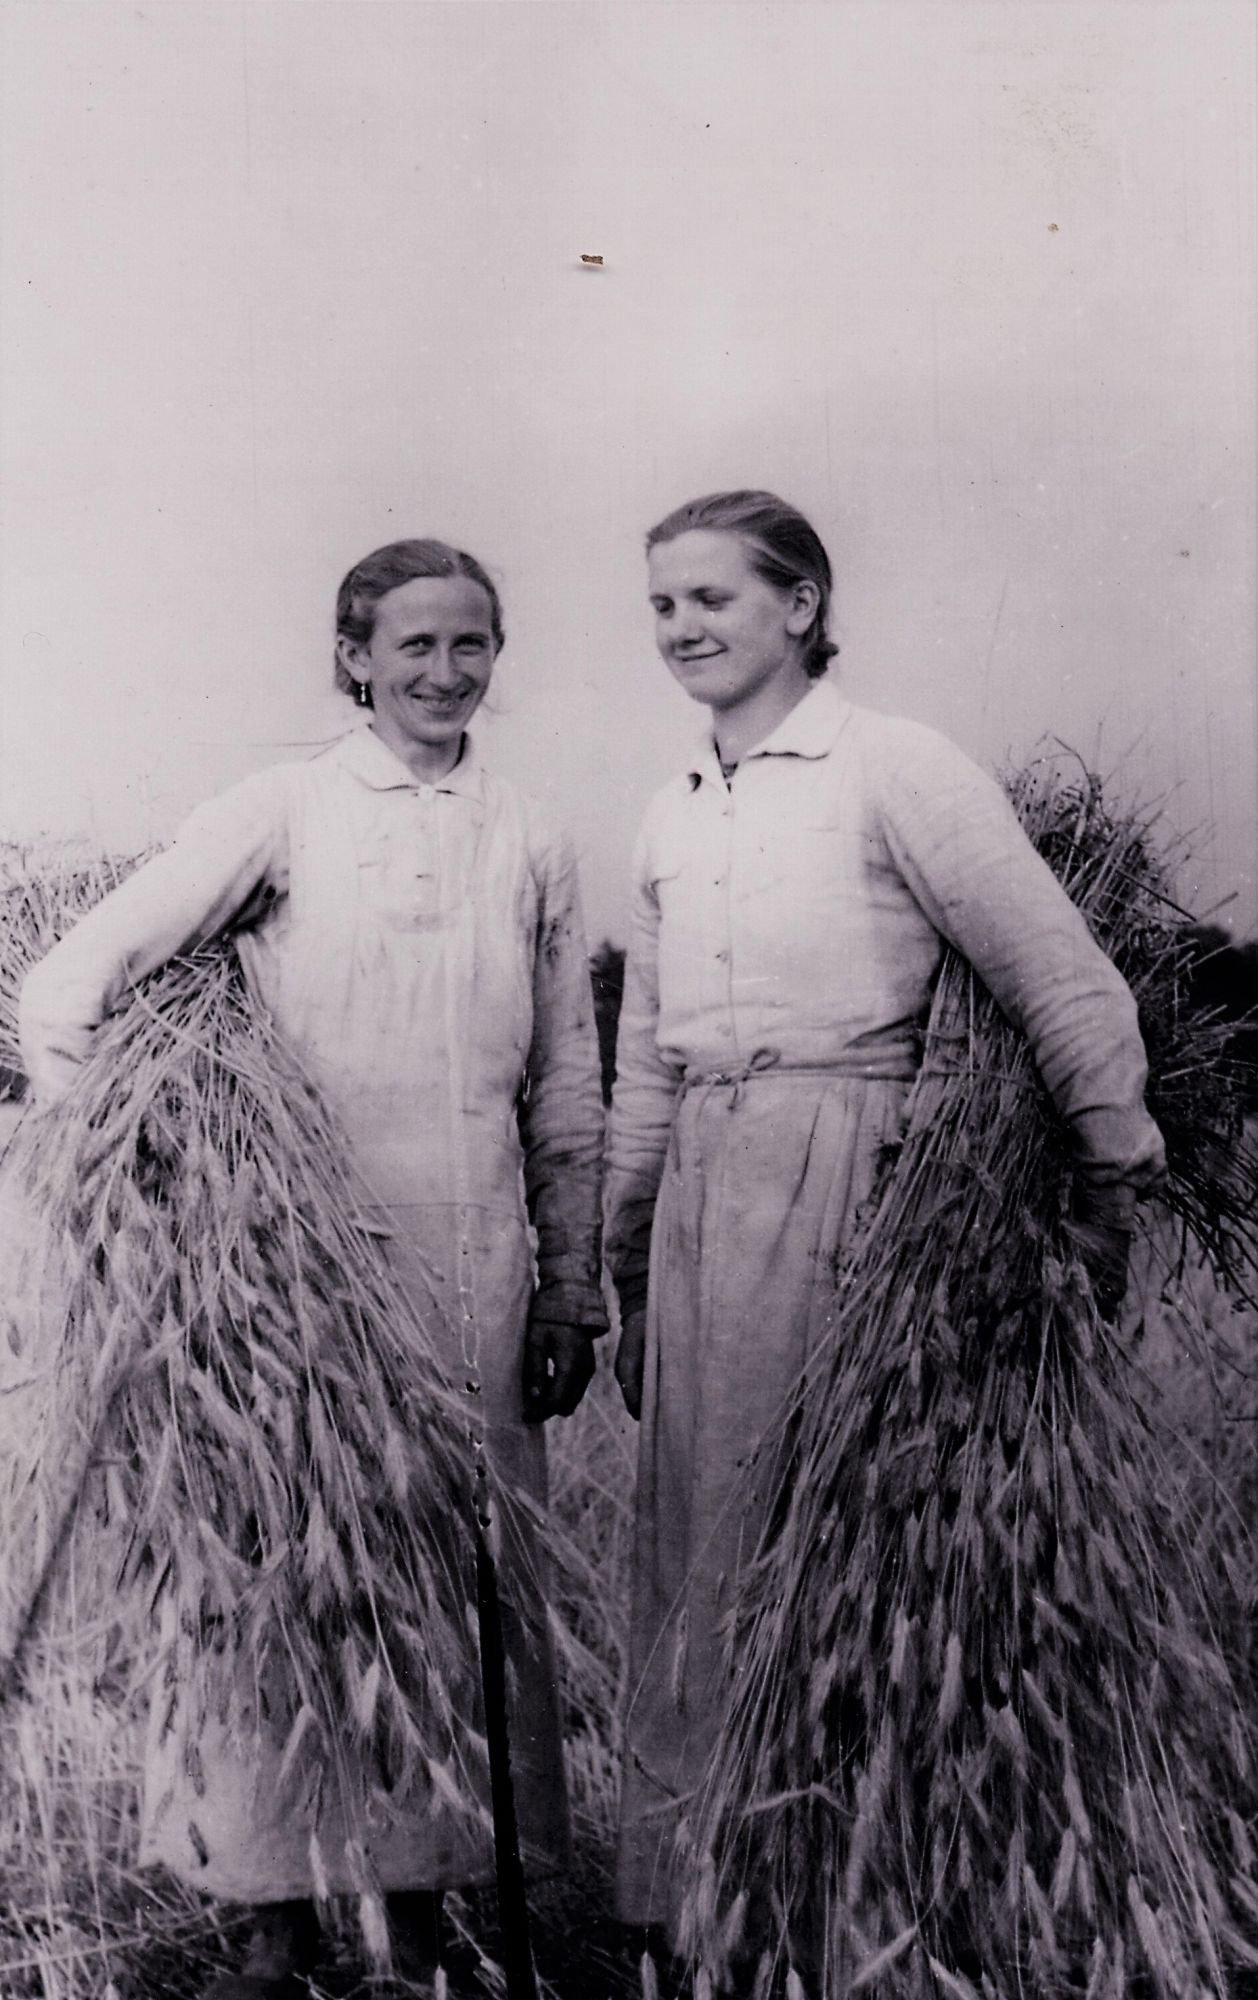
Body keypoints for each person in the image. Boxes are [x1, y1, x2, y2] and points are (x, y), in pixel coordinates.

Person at [19, 538, 608, 1998]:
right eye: (410, 646)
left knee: (445, 1592)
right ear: (352, 659)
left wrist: (569, 1284)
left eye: (471, 645)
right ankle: (265, 1916)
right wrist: (141, 1178)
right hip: (287, 1289)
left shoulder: (529, 833)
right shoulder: (281, 810)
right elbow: (72, 979)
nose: (443, 672)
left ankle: (417, 1912)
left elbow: (566, 1088)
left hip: (468, 1279)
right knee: (275, 1589)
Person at [603, 490, 1165, 1955]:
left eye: (712, 599)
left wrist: (1108, 1180)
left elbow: (1057, 974)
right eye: (661, 603)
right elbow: (645, 1064)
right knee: (698, 1547)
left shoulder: (889, 767)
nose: (681, 629)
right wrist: (621, 1253)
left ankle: (856, 1904)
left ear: (799, 604)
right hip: (703, 1197)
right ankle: (710, 1909)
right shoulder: (670, 811)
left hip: (853, 1178)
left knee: (828, 1543)